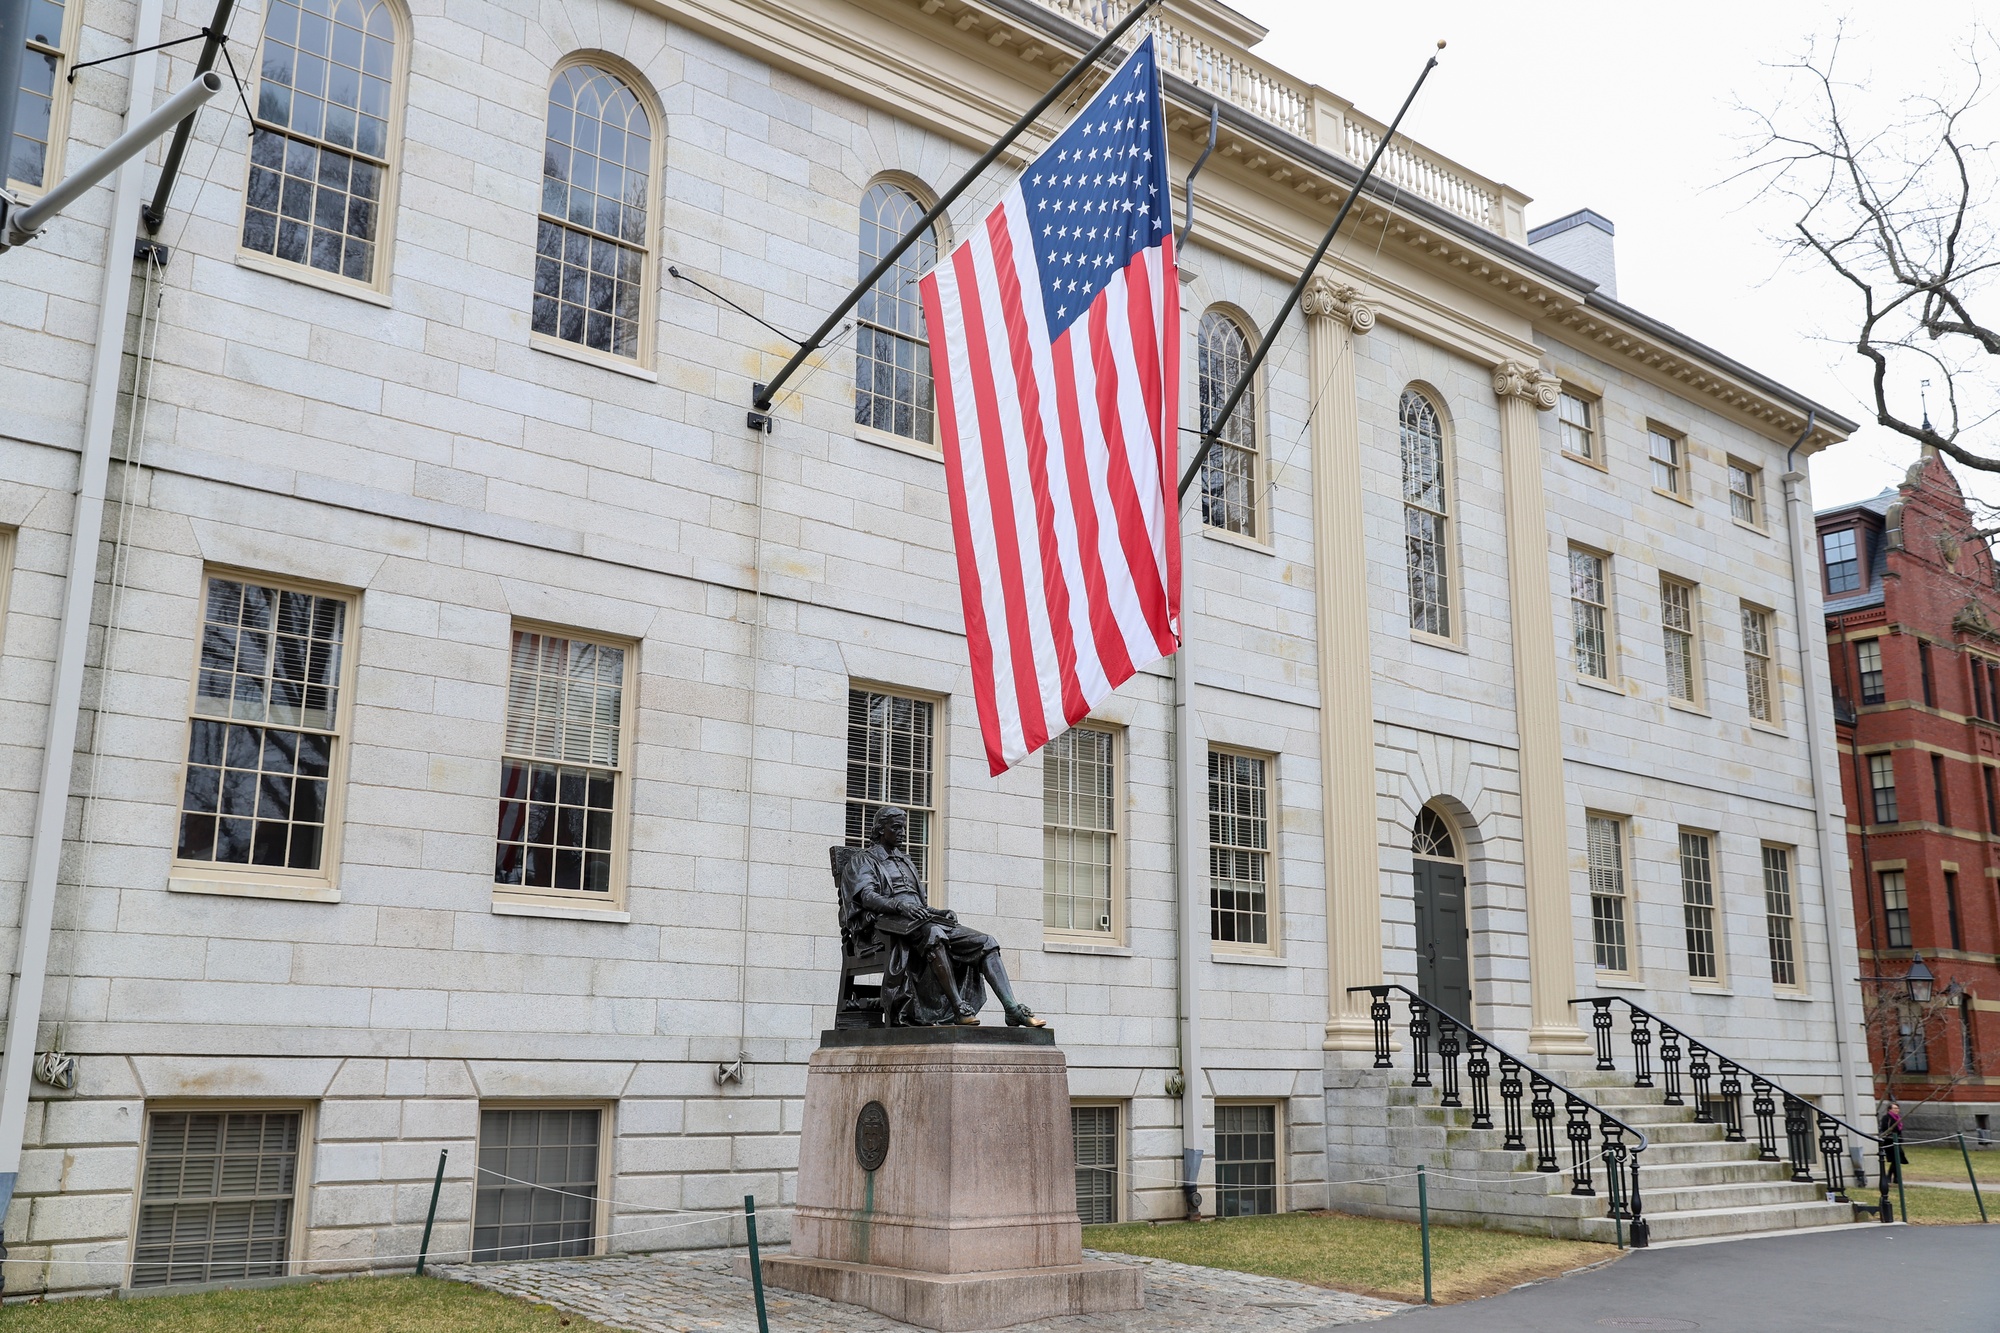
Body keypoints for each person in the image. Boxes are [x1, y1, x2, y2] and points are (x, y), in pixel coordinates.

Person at [841, 806, 1045, 1029]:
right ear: (880, 829)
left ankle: (1012, 1009)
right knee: (934, 933)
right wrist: (900, 907)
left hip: (921, 920)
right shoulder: (863, 860)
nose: (903, 832)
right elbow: (867, 897)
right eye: (896, 827)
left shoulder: (906, 861)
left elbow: (919, 904)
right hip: (886, 925)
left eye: (904, 828)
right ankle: (958, 1007)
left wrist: (938, 912)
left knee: (986, 942)